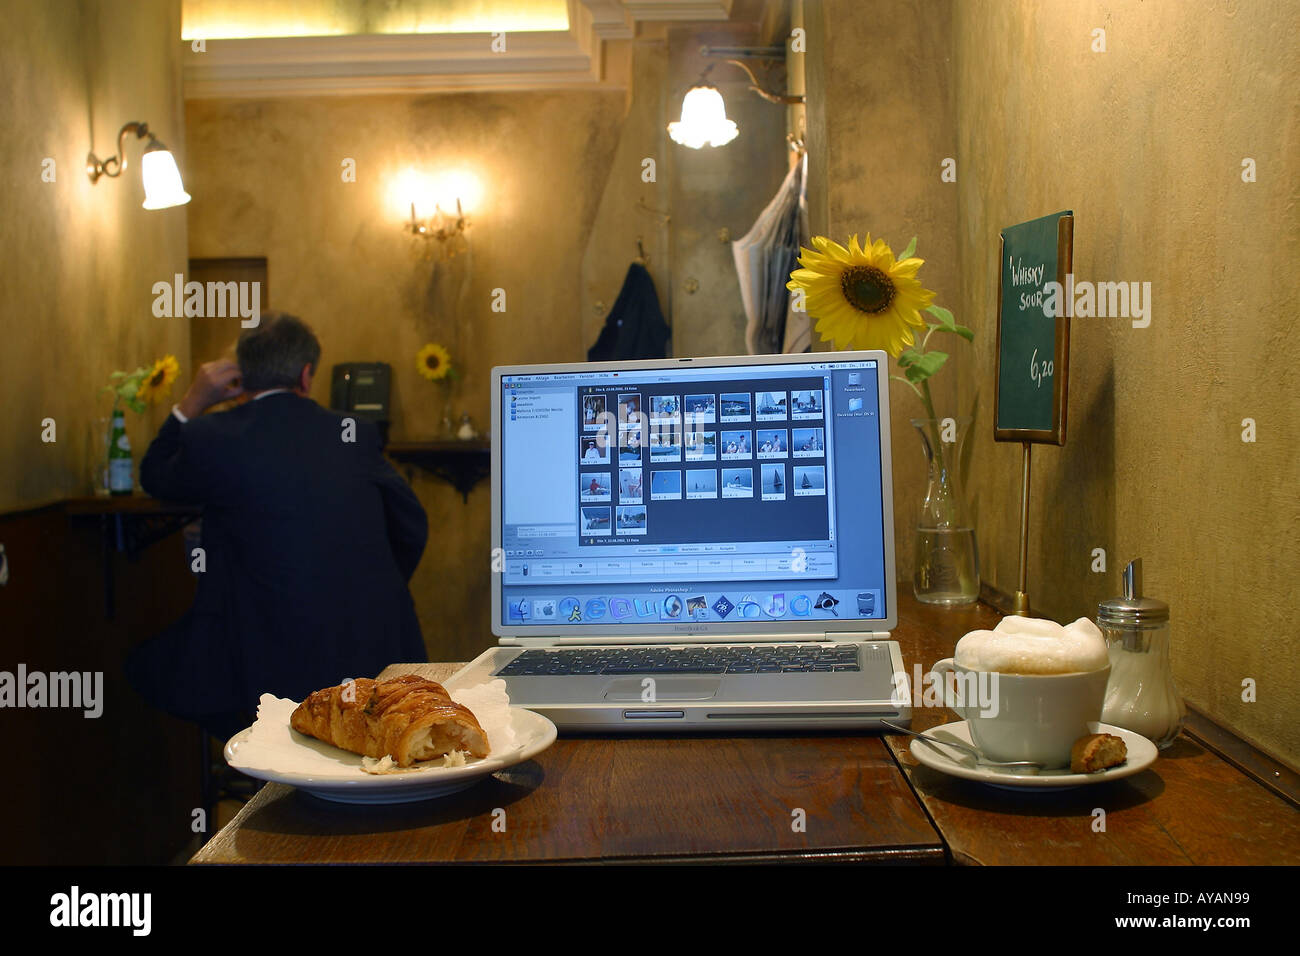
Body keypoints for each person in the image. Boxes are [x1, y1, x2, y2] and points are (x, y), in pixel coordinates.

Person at [124, 313, 428, 741]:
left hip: (262, 657)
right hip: (370, 646)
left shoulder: (212, 435)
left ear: (241, 376)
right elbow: (412, 524)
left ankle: (245, 789)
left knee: (141, 666)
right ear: (306, 375)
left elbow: (154, 475)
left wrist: (191, 401)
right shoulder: (353, 433)